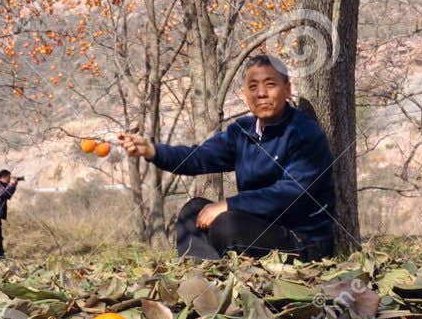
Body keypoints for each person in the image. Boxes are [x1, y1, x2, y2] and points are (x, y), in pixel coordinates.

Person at [118, 54, 337, 260]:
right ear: (244, 95)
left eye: (270, 85)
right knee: (192, 212)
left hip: (304, 242)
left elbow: (292, 194)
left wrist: (230, 204)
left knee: (227, 224)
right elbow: (198, 157)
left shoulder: (304, 132)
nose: (261, 93)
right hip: (260, 227)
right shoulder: (241, 132)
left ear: (287, 89)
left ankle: (219, 279)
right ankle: (205, 281)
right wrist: (152, 151)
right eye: (253, 87)